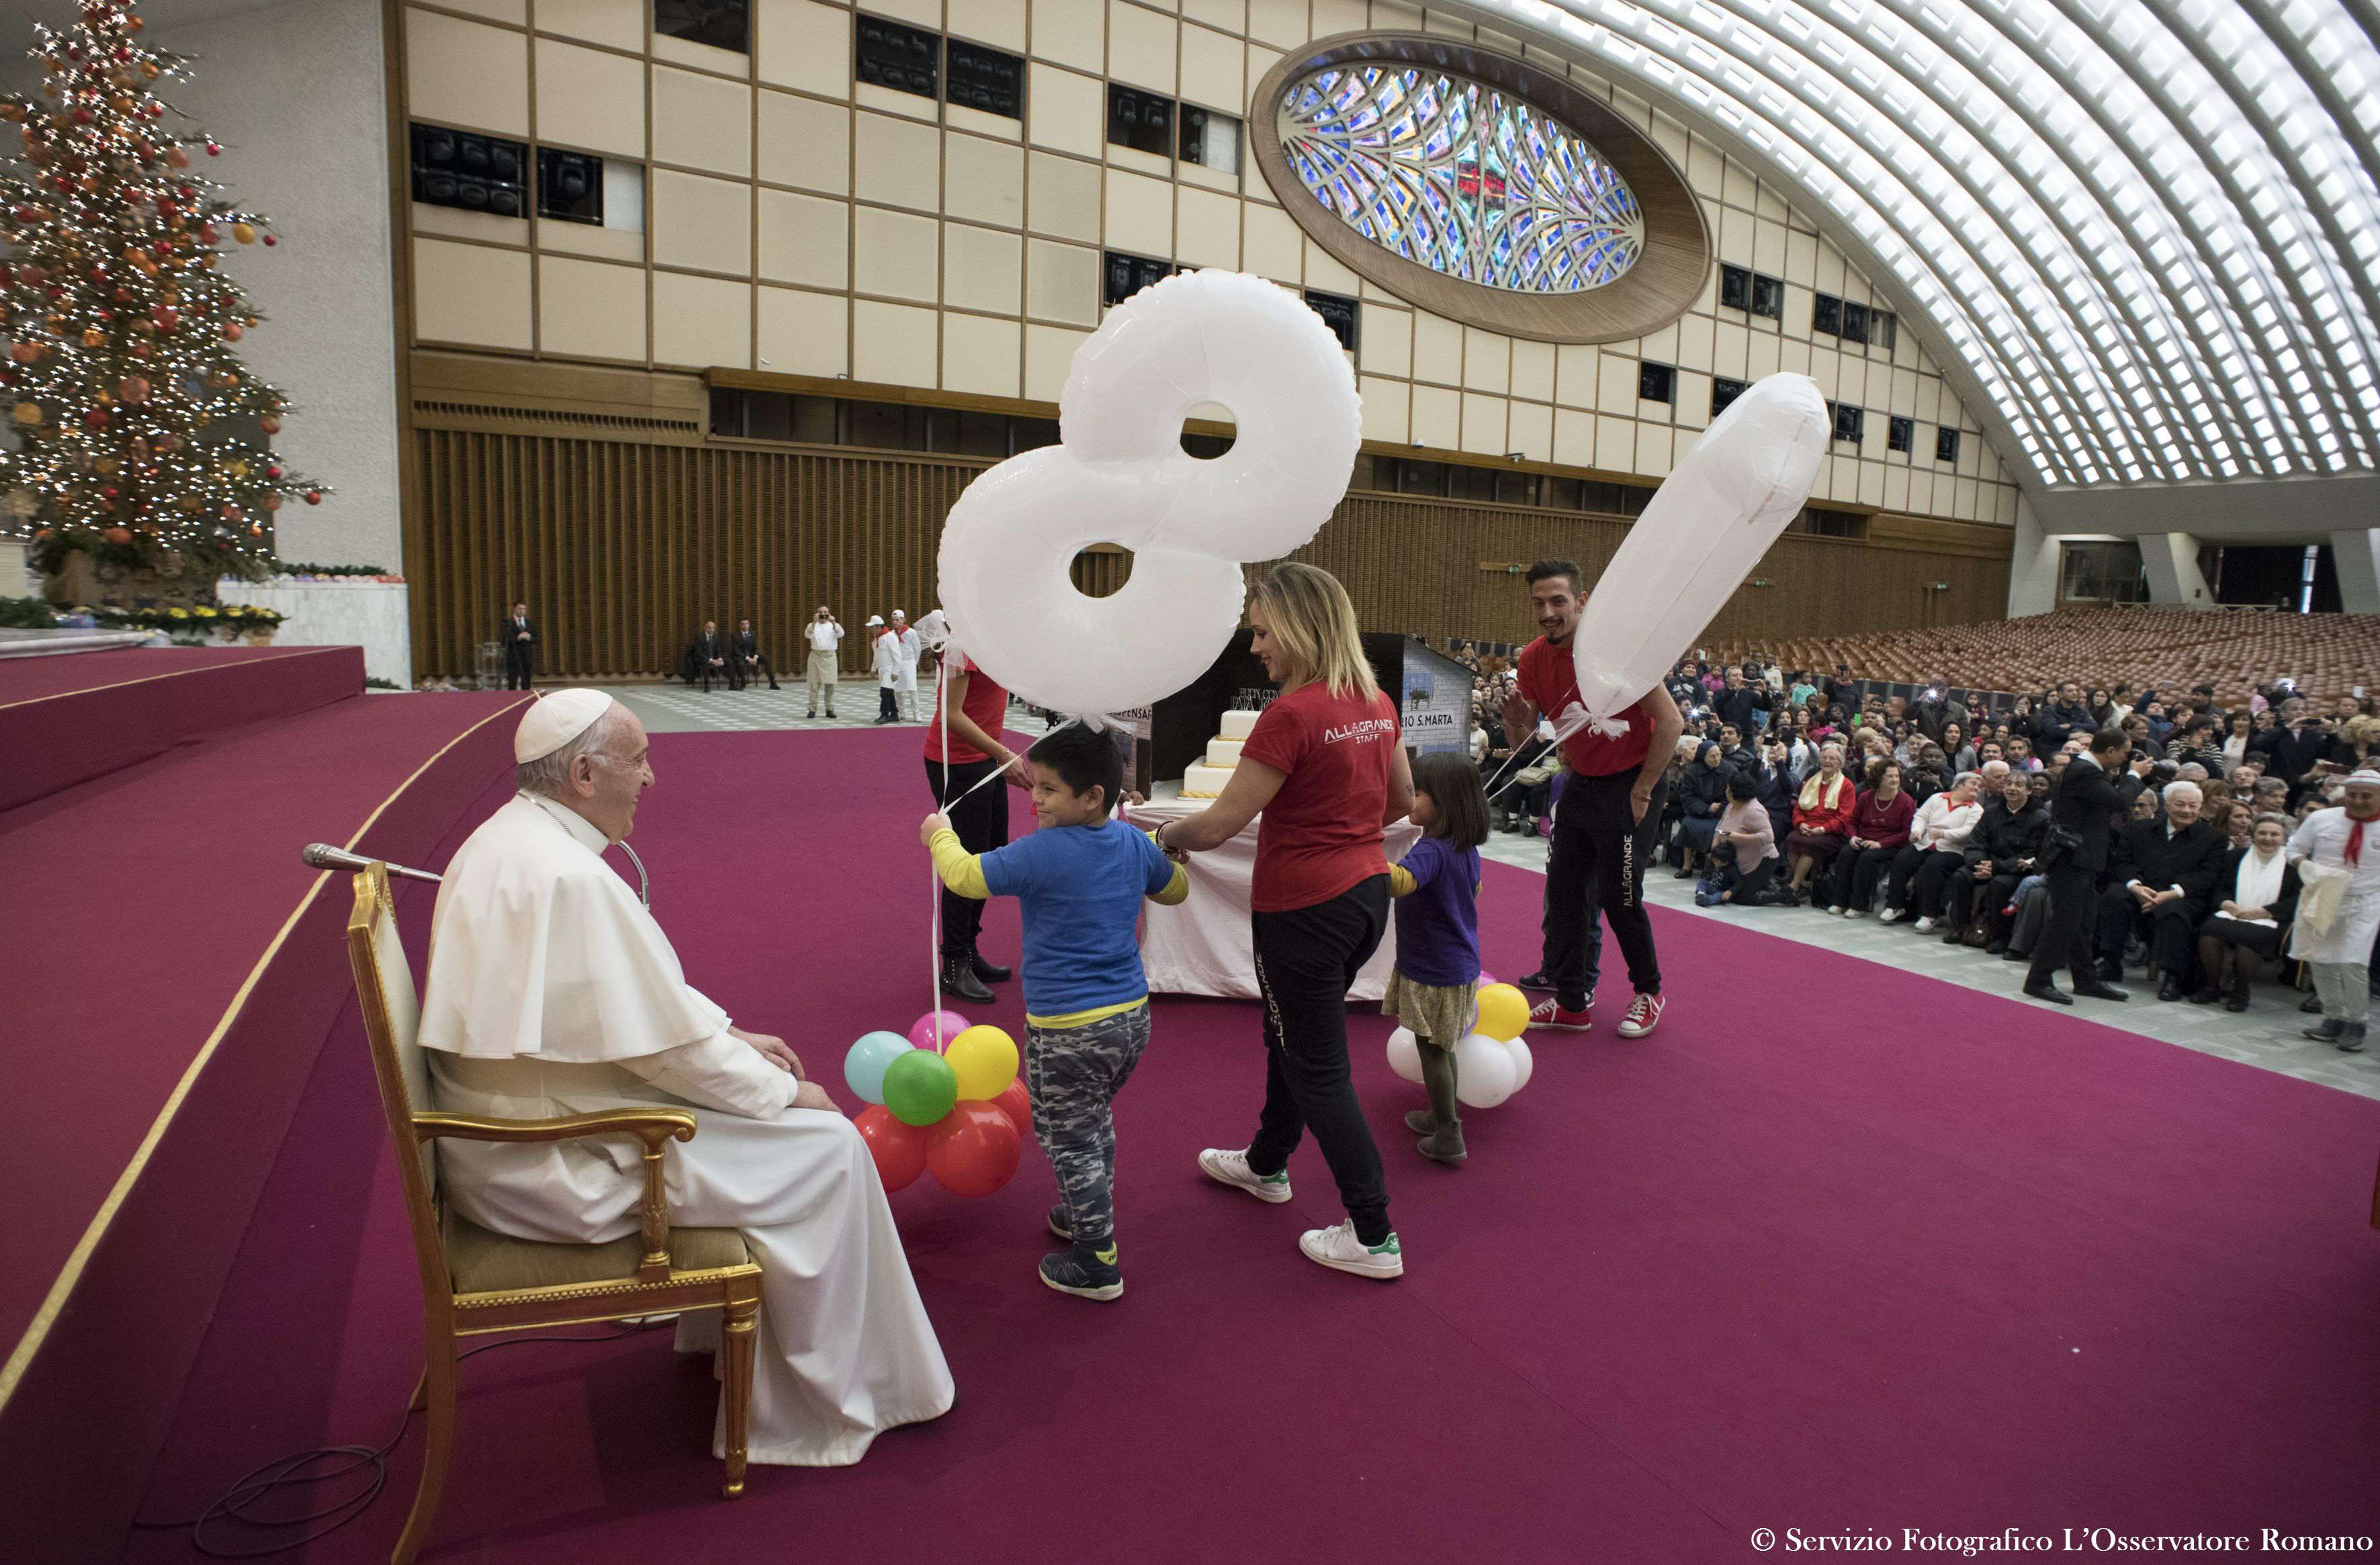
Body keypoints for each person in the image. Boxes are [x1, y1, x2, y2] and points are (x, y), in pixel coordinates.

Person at [417, 690, 953, 1464]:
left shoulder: (510, 837)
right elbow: (664, 1051)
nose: (651, 778)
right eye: (638, 760)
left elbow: (628, 1008)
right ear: (583, 772)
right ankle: (838, 1400)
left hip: (523, 1125)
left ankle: (734, 1341)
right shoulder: (569, 876)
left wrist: (728, 1034)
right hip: (555, 1154)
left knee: (779, 1124)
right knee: (829, 1146)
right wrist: (782, 1091)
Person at [1155, 563, 1415, 1280]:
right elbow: (1401, 800)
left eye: (1264, 632)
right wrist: (1341, 825)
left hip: (1303, 910)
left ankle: (1373, 1233)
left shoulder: (1292, 714)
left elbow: (1217, 825)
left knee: (1318, 1068)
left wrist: (1160, 835)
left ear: (1301, 628)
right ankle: (1268, 1163)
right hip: (1363, 897)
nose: (1256, 648)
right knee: (1289, 1035)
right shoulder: (1375, 701)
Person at [922, 723, 1187, 1300]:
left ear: (1092, 796)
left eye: (1047, 789)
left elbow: (965, 877)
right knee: (1090, 1121)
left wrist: (940, 836)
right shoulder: (1131, 842)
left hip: (1067, 1029)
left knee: (1070, 1139)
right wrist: (1162, 853)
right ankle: (1082, 1208)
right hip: (1130, 1019)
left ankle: (1096, 1261)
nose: (1034, 799)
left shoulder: (1041, 851)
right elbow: (1176, 890)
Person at [1503, 560, 1685, 1038]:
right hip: (1582, 782)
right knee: (1564, 895)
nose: (1548, 612)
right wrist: (1514, 719)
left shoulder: (1618, 652)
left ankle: (1649, 992)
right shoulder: (1533, 658)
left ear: (1581, 601)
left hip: (1631, 784)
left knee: (1618, 896)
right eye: (1539, 603)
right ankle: (1571, 1002)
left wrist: (1643, 790)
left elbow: (1671, 722)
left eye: (1558, 601)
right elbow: (1523, 741)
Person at [1384, 752, 1488, 1167]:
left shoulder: (1431, 850)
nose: (1408, 799)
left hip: (1434, 968)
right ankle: (1443, 1115)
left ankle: (1448, 1133)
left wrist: (1359, 855)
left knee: (1432, 1050)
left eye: (1417, 792)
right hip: (1457, 964)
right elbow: (1475, 890)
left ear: (1444, 801)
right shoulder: (1463, 847)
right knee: (1443, 1047)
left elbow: (1400, 883)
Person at [923, 642, 1026, 1003]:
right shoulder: (964, 645)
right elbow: (951, 714)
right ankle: (954, 962)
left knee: (990, 852)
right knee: (967, 860)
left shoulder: (992, 640)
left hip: (985, 758)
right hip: (958, 764)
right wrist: (1004, 754)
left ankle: (967, 948)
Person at [2023, 726, 2144, 1006]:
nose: (2126, 759)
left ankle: (2086, 979)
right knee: (2064, 921)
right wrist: (2136, 775)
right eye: (2124, 753)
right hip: (2071, 859)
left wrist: (2133, 776)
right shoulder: (2084, 771)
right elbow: (2119, 801)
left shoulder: (2088, 770)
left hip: (2083, 858)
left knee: (2083, 922)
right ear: (2110, 751)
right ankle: (2038, 980)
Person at [2095, 778, 2228, 1000]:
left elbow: (2208, 875)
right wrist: (2136, 887)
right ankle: (2111, 963)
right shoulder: (2138, 829)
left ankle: (2173, 977)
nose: (2187, 810)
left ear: (2200, 807)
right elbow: (2123, 863)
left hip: (2182, 895)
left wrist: (2172, 893)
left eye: (2193, 805)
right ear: (2167, 805)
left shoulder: (2214, 838)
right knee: (2115, 896)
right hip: (2141, 890)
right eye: (2180, 804)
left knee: (2174, 911)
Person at [2287, 768, 2380, 1051]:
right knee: (2320, 959)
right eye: (2353, 795)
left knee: (2354, 963)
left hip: (2365, 901)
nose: (2358, 801)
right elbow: (2293, 849)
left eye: (2367, 796)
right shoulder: (2321, 819)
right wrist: (2307, 866)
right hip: (2322, 896)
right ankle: (2333, 1016)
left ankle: (2357, 1021)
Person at [2191, 813, 2300, 1012]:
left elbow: (2296, 900)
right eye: (2262, 833)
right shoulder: (2234, 857)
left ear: (2284, 839)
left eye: (2274, 834)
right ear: (2254, 835)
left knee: (2249, 939)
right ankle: (2211, 986)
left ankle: (2241, 991)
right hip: (2233, 911)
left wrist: (2263, 912)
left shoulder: (2293, 865)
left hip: (2271, 918)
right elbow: (2219, 888)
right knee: (2209, 932)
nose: (2268, 838)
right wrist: (2229, 905)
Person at [1946, 767, 2045, 948]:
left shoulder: (2040, 818)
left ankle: (1999, 937)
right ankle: (1960, 927)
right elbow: (1976, 842)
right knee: (1961, 876)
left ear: (2029, 791)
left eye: (2018, 785)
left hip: (2015, 869)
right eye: (2009, 784)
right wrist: (1979, 863)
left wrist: (1996, 867)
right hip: (1986, 863)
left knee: (2000, 885)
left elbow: (2031, 854)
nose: (2012, 788)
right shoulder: (1992, 812)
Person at [1892, 771, 1986, 930]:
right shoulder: (1937, 798)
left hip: (1953, 849)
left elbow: (1967, 831)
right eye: (1973, 784)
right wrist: (1917, 831)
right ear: (1959, 784)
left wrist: (1944, 834)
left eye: (1979, 786)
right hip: (1926, 842)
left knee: (1934, 865)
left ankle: (1930, 914)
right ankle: (1895, 905)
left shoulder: (1976, 809)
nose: (1977, 788)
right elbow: (1921, 817)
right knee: (1902, 858)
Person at [1826, 760, 1915, 916]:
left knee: (1867, 858)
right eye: (1890, 776)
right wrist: (1853, 837)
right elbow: (1852, 822)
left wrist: (1880, 844)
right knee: (1846, 854)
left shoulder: (1906, 801)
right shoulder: (1866, 797)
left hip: (1891, 845)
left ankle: (1859, 906)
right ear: (1879, 778)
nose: (1895, 780)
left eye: (1896, 776)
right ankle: (1839, 901)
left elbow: (1906, 833)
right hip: (1864, 839)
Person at [1783, 742, 1855, 899]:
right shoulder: (1811, 782)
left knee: (1810, 845)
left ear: (1840, 763)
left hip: (1832, 832)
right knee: (1791, 839)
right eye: (1824, 758)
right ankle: (1804, 884)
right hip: (1808, 826)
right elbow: (1799, 808)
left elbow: (1845, 817)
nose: (1827, 761)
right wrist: (1801, 823)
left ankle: (1794, 886)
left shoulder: (1847, 786)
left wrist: (1823, 829)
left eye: (1832, 758)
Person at [1700, 770, 1779, 906]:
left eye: (1728, 789)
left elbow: (1768, 836)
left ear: (1735, 793)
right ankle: (1763, 884)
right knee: (1728, 892)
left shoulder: (1754, 811)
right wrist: (1715, 843)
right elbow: (1720, 825)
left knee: (1743, 898)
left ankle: (1781, 894)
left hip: (1761, 859)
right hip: (1737, 860)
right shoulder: (1732, 805)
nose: (1726, 791)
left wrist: (1739, 837)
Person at [1672, 740, 1730, 879]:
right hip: (1698, 811)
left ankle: (1708, 868)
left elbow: (1732, 795)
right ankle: (1687, 866)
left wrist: (1718, 807)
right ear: (1703, 757)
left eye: (1719, 755)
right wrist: (1706, 808)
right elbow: (1687, 795)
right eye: (1712, 756)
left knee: (1712, 830)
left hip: (1720, 813)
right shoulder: (1692, 771)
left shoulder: (1729, 769)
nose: (1717, 759)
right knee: (1687, 825)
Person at [803, 605, 844, 719]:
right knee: (814, 685)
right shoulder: (812, 625)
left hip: (830, 657)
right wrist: (814, 622)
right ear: (817, 614)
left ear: (829, 613)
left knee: (830, 685)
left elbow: (841, 634)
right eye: (820, 612)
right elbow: (807, 635)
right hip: (816, 656)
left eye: (825, 612)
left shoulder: (834, 625)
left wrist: (834, 623)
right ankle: (812, 709)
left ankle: (829, 709)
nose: (823, 614)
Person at [731, 617, 779, 690]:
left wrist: (755, 658)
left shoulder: (753, 633)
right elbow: (736, 651)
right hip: (741, 656)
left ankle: (772, 682)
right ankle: (743, 680)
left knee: (766, 659)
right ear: (740, 625)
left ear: (749, 625)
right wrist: (748, 659)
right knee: (740, 663)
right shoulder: (735, 635)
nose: (745, 626)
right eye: (743, 624)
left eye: (747, 624)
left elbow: (757, 648)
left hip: (752, 655)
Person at [869, 615, 901, 723]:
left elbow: (897, 655)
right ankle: (894, 714)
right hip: (882, 669)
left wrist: (896, 671)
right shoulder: (876, 639)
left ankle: (884, 714)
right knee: (889, 692)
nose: (870, 629)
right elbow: (876, 655)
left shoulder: (890, 637)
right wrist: (874, 668)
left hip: (890, 667)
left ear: (878, 627)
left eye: (872, 627)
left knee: (885, 691)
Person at [891, 609, 922, 721]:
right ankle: (902, 712)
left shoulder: (911, 632)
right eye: (893, 620)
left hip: (909, 662)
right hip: (897, 664)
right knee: (898, 690)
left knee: (912, 689)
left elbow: (917, 648)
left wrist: (914, 662)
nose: (895, 622)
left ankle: (916, 713)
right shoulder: (891, 634)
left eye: (897, 620)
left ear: (903, 620)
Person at [687, 619, 728, 692]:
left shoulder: (716, 637)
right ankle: (707, 684)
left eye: (713, 628)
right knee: (706, 663)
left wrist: (720, 659)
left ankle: (733, 684)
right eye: (709, 628)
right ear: (705, 628)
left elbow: (718, 651)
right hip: (702, 659)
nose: (711, 630)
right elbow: (699, 653)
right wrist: (711, 660)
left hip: (714, 659)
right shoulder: (700, 637)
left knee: (730, 662)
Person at [502, 601, 535, 690]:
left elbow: (537, 638)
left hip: (527, 657)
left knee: (526, 682)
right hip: (513, 657)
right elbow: (503, 640)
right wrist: (518, 638)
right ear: (514, 609)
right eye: (520, 609)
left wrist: (530, 637)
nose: (522, 611)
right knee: (513, 682)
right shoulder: (508, 623)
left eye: (524, 609)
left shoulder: (530, 623)